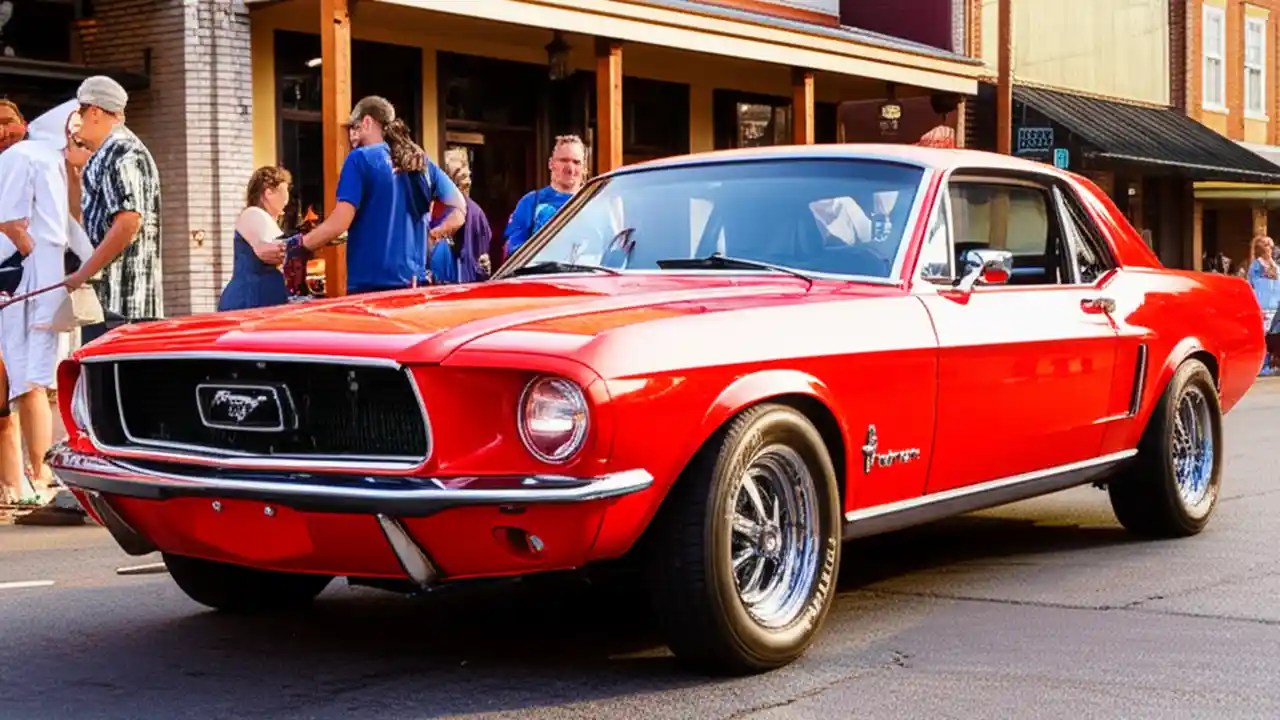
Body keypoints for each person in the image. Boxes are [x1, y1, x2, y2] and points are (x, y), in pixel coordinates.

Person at [0, 100, 95, 509]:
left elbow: (11, 222)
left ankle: (37, 476)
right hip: (42, 277)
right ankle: (35, 476)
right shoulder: (46, 158)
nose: (4, 130)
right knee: (35, 382)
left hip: (24, 281)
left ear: (24, 122)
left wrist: (26, 259)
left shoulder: (28, 156)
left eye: (7, 121)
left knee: (28, 382)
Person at [298, 95, 466, 295]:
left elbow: (339, 223)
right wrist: (433, 235)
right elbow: (459, 208)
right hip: (414, 286)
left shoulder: (359, 159)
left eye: (355, 128)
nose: (351, 137)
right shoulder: (422, 164)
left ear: (368, 122)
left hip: (370, 289)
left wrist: (298, 246)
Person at [62, 75, 163, 344]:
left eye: (80, 111)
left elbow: (129, 222)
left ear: (94, 111)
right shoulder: (105, 153)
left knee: (115, 384)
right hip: (107, 303)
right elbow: (83, 221)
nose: (77, 122)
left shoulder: (123, 151)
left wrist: (83, 274)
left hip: (124, 302)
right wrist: (74, 173)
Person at [217, 166, 293, 311]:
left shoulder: (263, 218)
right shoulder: (253, 213)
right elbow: (265, 249)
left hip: (262, 299)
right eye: (285, 191)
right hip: (250, 300)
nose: (287, 199)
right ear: (269, 193)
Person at [502, 134, 586, 259]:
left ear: (584, 168)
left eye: (576, 162)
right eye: (564, 160)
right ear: (550, 164)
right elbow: (514, 249)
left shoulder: (594, 203)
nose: (570, 168)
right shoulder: (530, 202)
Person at [427, 162, 491, 284]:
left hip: (463, 287)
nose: (467, 182)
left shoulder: (476, 214)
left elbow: (482, 259)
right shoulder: (432, 208)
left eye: (468, 176)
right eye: (462, 177)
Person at [1249, 235, 1280, 376]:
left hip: (1275, 304)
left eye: (1271, 246)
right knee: (1263, 336)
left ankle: (1272, 362)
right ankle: (1263, 364)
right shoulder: (1257, 265)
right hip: (1263, 305)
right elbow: (1253, 283)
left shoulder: (1274, 264)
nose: (1271, 249)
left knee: (1273, 336)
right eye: (1268, 246)